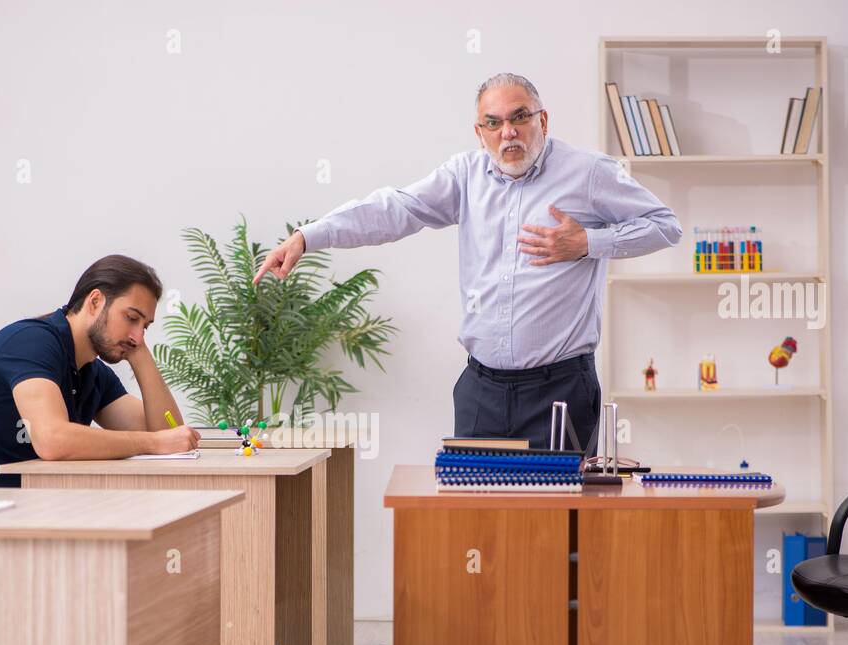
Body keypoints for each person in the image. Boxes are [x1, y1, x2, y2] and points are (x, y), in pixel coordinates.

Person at [0, 254, 386, 645]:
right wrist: (155, 441)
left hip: (34, 512)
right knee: (170, 570)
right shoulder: (33, 343)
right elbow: (54, 441)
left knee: (182, 561)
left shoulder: (88, 368)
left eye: (146, 325)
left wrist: (140, 355)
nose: (136, 333)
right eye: (131, 318)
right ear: (95, 301)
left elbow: (168, 431)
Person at [255, 73, 683, 453]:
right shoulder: (464, 175)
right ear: (480, 133)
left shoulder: (589, 172)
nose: (508, 132)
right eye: (493, 123)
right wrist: (310, 236)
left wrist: (588, 242)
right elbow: (396, 209)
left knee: (557, 515)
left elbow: (665, 225)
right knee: (475, 513)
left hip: (561, 391)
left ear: (543, 120)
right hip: (482, 391)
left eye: (519, 117)